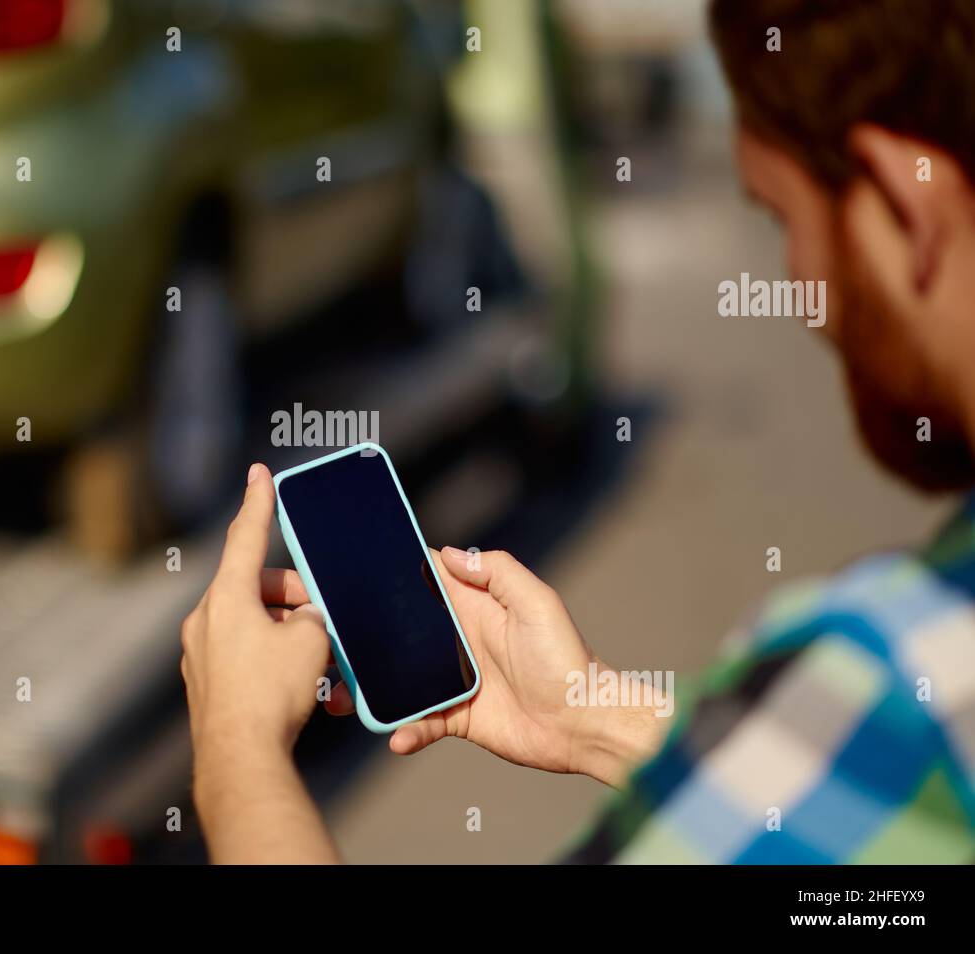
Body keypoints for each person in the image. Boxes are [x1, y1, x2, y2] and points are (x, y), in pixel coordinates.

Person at [181, 0, 975, 863]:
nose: (798, 286)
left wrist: (236, 756)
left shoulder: (897, 690)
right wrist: (588, 714)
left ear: (906, 205)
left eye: (785, 219)